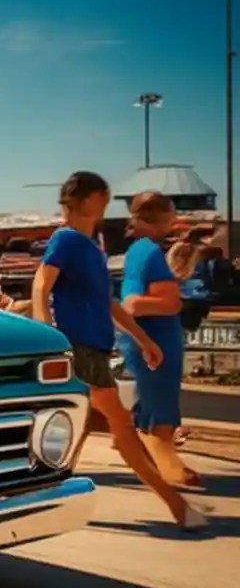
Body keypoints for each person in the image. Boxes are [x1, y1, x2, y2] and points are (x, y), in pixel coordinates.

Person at [32, 172, 206, 529]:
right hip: (77, 347)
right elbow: (40, 284)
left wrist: (144, 340)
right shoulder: (65, 240)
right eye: (104, 196)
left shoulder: (91, 247)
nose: (109, 203)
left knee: (78, 427)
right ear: (89, 200)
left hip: (92, 348)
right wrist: (47, 334)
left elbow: (107, 302)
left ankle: (42, 495)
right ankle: (175, 505)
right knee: (122, 428)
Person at [118, 192, 200, 486]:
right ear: (164, 218)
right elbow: (134, 303)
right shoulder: (149, 252)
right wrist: (173, 302)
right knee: (160, 405)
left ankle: (152, 459)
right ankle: (168, 468)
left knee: (153, 401)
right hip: (155, 339)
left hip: (149, 338)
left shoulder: (140, 250)